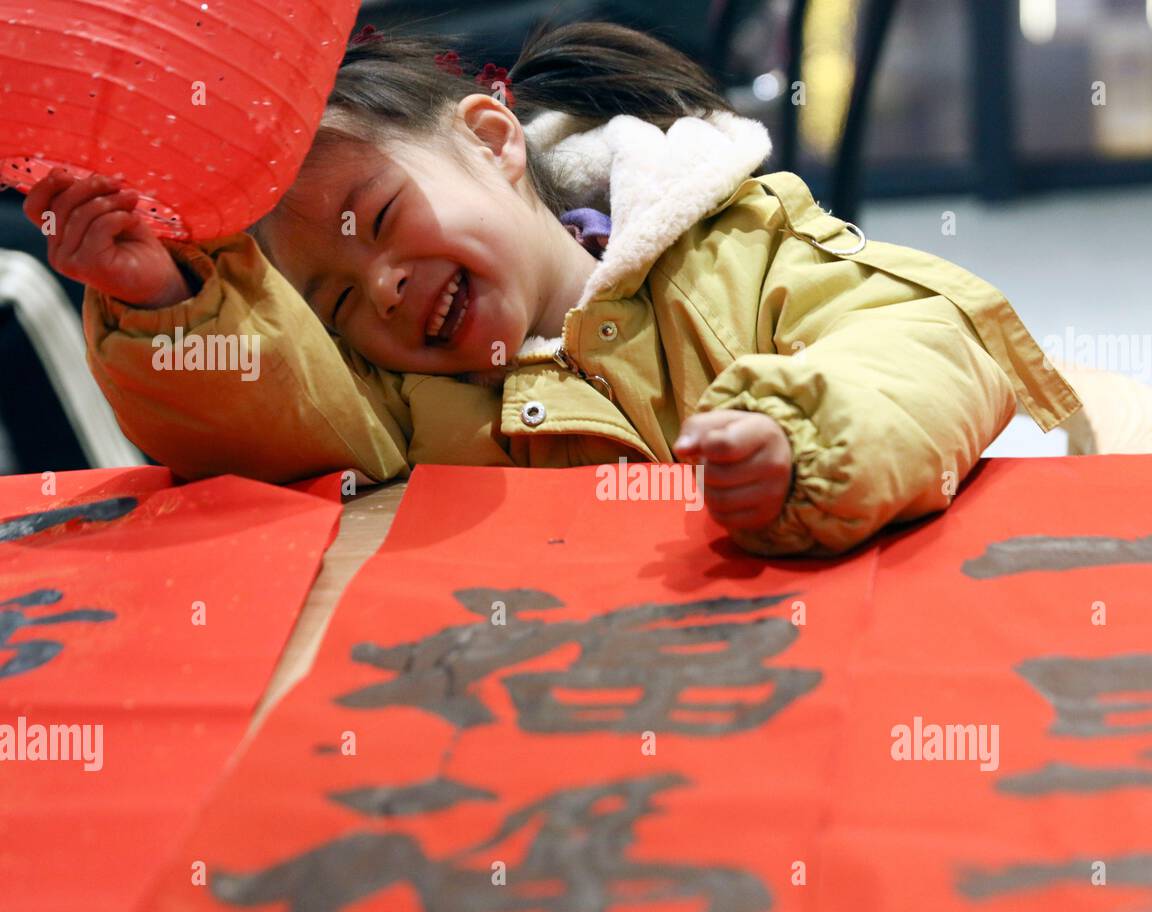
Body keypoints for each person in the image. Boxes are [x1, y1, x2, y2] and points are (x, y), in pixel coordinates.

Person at [23, 22, 1080, 557]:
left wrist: (803, 441)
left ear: (491, 141)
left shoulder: (734, 251)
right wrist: (165, 300)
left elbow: (929, 339)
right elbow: (273, 416)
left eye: (383, 221)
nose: (382, 290)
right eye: (338, 303)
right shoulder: (393, 405)